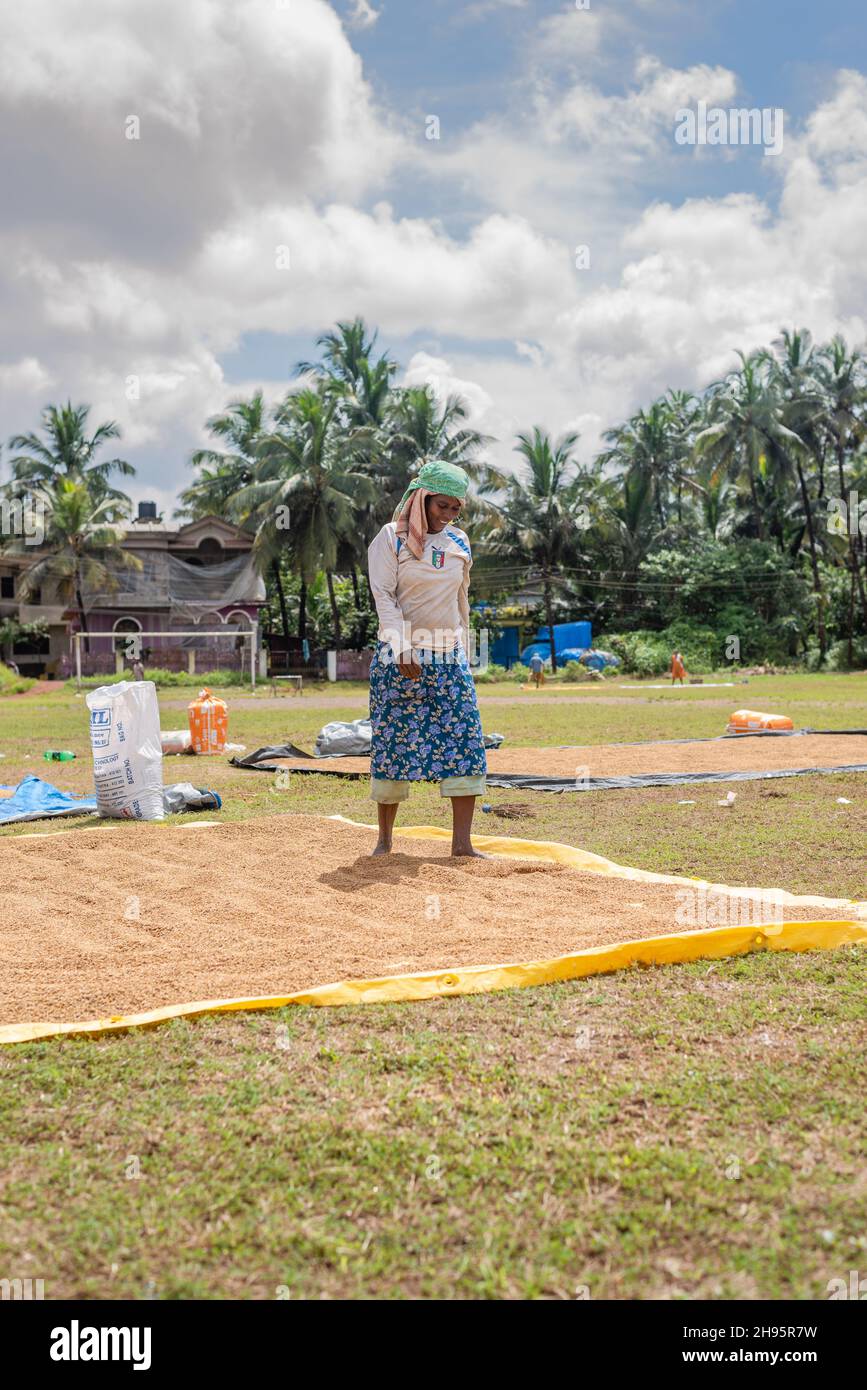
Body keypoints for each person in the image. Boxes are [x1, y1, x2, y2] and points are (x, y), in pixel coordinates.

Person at [367, 459, 487, 857]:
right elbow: (384, 596)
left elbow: (460, 599)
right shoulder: (390, 538)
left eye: (456, 509)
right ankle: (384, 842)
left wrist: (462, 653)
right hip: (401, 659)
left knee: (465, 741)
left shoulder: (460, 542)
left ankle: (462, 845)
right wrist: (401, 647)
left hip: (448, 658)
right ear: (422, 499)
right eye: (442, 507)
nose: (449, 516)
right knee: (393, 744)